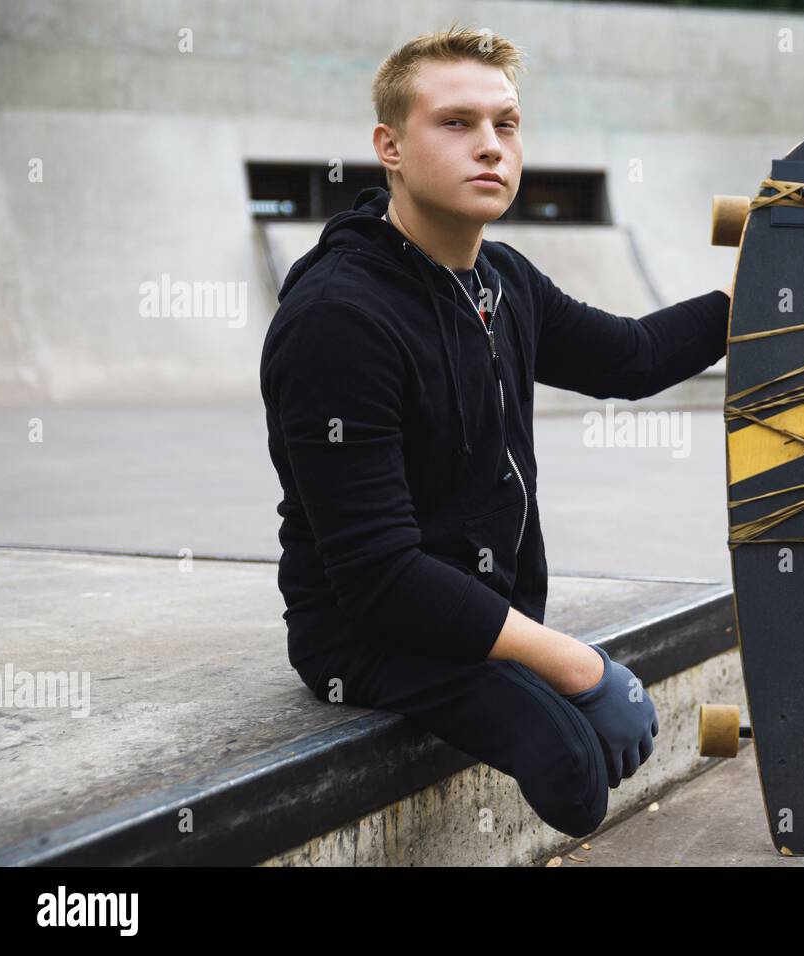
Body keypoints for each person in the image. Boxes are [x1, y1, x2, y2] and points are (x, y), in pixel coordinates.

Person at [258, 25, 733, 839]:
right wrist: (574, 660)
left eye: (505, 125)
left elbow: (631, 357)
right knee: (575, 779)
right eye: (456, 123)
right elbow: (378, 574)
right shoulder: (340, 318)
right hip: (364, 635)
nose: (490, 147)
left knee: (578, 756)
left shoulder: (500, 277)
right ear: (391, 147)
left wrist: (760, 299)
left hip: (478, 610)